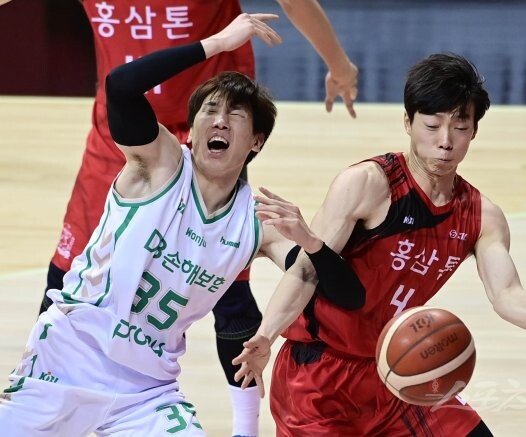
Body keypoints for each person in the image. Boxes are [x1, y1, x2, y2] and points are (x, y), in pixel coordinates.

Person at [1, 13, 365, 436]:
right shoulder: (161, 165)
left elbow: (348, 294)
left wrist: (312, 243)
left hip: (146, 394)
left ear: (256, 141)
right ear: (191, 131)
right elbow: (120, 86)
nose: (220, 120)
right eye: (210, 110)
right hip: (64, 365)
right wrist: (218, 43)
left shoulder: (258, 223)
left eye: (236, 114)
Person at [233, 53, 526, 436]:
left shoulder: (481, 216)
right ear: (408, 122)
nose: (445, 141)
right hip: (318, 377)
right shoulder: (368, 184)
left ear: (474, 131)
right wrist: (266, 334)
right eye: (432, 125)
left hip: (401, 368)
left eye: (460, 127)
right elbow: (306, 270)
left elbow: (506, 293)